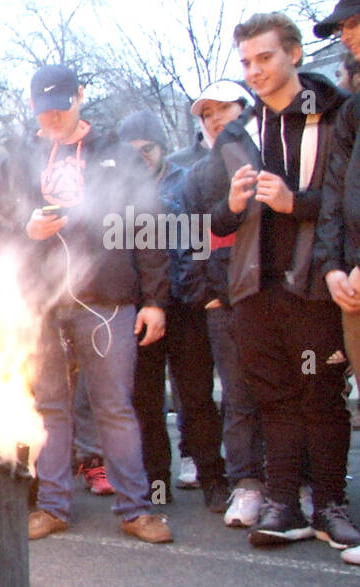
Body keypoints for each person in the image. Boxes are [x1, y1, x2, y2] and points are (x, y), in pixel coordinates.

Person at [190, 12, 359, 550]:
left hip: (315, 283)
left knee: (323, 397)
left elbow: (343, 205)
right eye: (247, 62)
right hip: (255, 291)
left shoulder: (334, 115)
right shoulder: (237, 132)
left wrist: (295, 204)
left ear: (295, 54)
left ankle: (331, 504)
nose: (256, 70)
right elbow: (210, 219)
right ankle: (285, 505)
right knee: (276, 401)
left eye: (265, 58)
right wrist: (232, 206)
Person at [0, 64, 173, 544]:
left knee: (115, 406)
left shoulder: (117, 155)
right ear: (32, 106)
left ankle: (136, 508)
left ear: (81, 96)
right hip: (41, 304)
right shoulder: (18, 160)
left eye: (61, 106)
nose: (53, 117)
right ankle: (52, 505)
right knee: (49, 406)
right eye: (43, 109)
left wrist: (154, 301)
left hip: (107, 298)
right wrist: (27, 230)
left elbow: (148, 228)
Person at [119, 110, 231, 514]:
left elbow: (202, 242)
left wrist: (199, 292)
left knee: (197, 398)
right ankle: (158, 484)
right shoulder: (117, 193)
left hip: (185, 306)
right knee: (146, 404)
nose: (141, 158)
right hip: (139, 310)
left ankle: (213, 479)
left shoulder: (187, 182)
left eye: (146, 149)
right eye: (132, 152)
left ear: (161, 146)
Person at [177, 81, 266, 529]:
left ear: (244, 109)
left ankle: (295, 483)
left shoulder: (270, 152)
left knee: (287, 391)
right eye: (206, 112)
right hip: (223, 299)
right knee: (237, 396)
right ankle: (246, 484)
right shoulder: (195, 176)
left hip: (273, 292)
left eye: (223, 108)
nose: (214, 117)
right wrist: (207, 296)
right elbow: (190, 241)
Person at [311, 0, 360, 562]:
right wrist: (331, 267)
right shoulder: (351, 112)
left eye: (355, 23)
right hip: (349, 281)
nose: (348, 37)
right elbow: (333, 199)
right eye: (344, 27)